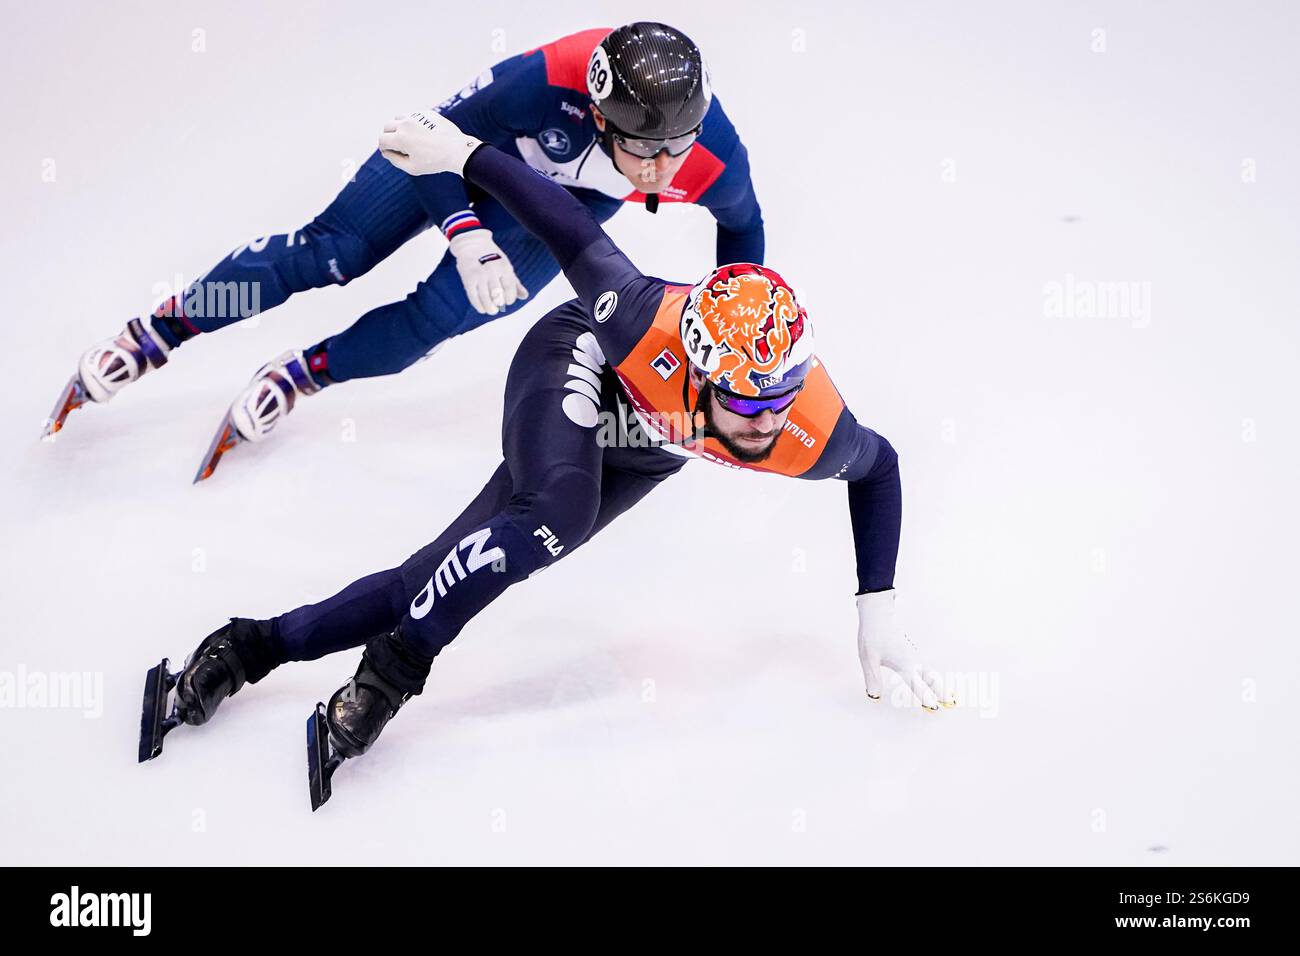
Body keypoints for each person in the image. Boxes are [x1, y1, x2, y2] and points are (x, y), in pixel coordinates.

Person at [142, 107, 951, 800]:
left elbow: (880, 470)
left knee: (435, 574)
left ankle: (247, 645)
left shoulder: (812, 430)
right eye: (743, 403)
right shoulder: (637, 317)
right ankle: (388, 679)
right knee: (552, 515)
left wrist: (874, 607)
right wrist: (461, 157)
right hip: (586, 357)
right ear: (700, 373)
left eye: (777, 402)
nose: (763, 426)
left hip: (648, 445)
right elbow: (562, 225)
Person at [47, 23, 765, 481]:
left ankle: (304, 374)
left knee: (438, 321)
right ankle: (159, 332)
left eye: (678, 146)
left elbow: (744, 244)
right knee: (332, 254)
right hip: (454, 155)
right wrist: (466, 233)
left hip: (559, 203)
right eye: (643, 148)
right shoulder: (544, 81)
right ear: (599, 114)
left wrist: (739, 340)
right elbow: (422, 141)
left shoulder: (712, 157)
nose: (663, 167)